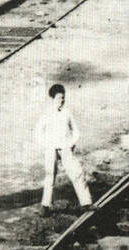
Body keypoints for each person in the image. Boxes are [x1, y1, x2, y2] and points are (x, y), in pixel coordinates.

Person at [35, 83, 93, 216]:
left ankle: (86, 203)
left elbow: (76, 131)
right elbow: (38, 132)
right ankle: (45, 206)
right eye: (59, 98)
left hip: (65, 148)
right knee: (50, 176)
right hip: (51, 149)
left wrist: (71, 143)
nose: (61, 101)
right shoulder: (47, 113)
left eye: (63, 98)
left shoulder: (67, 112)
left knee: (77, 172)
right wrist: (46, 145)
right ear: (52, 99)